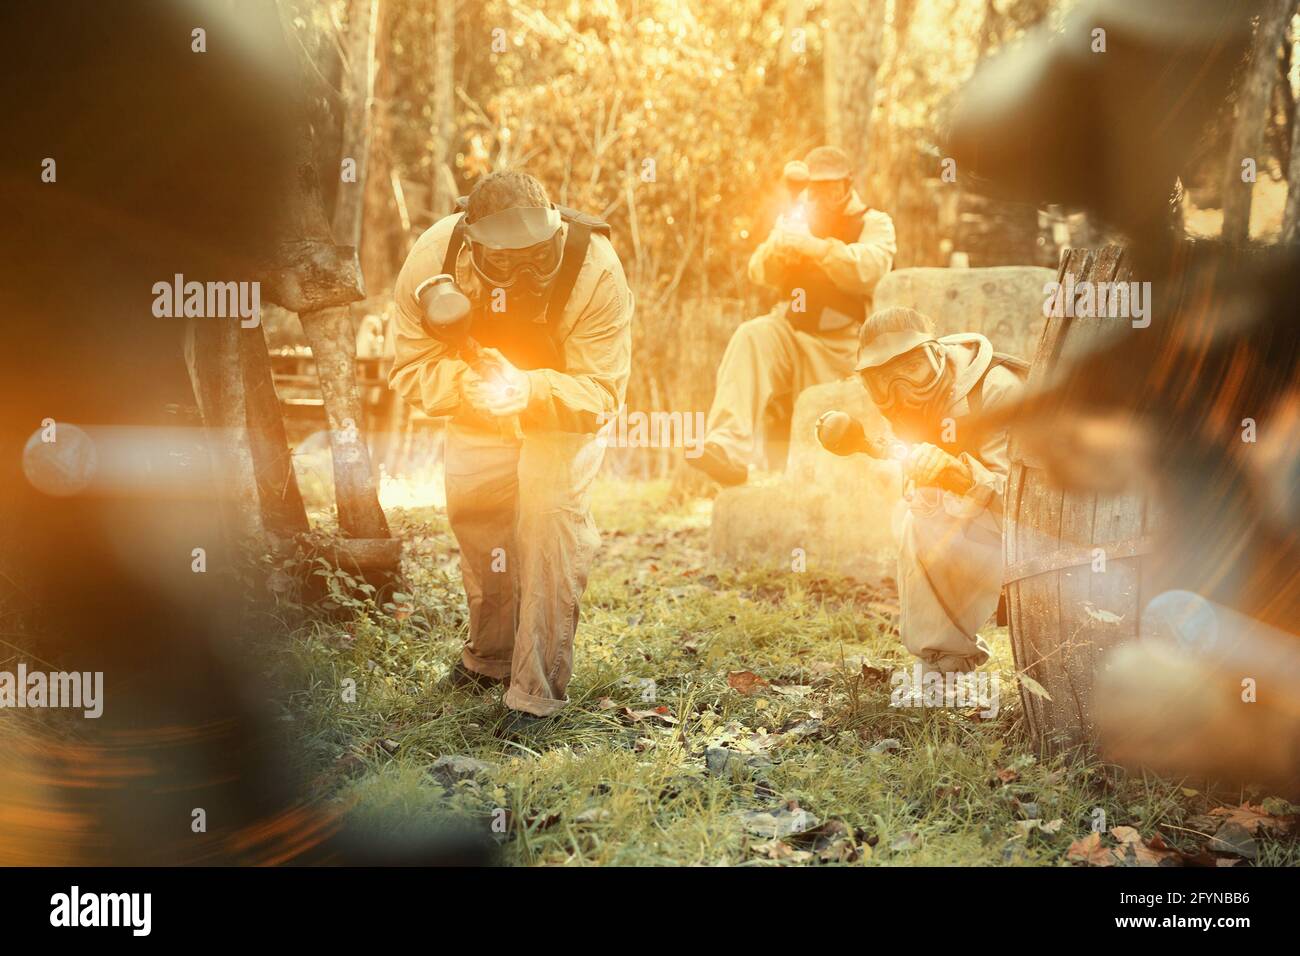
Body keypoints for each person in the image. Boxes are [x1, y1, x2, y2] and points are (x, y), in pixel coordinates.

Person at [388, 170, 633, 733]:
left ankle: (534, 696)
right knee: (478, 518)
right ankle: (491, 658)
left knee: (548, 522)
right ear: (472, 243)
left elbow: (601, 392)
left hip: (560, 411)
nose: (522, 272)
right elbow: (409, 368)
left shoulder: (594, 269)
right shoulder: (433, 261)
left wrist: (530, 390)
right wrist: (463, 386)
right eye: (504, 260)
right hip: (477, 402)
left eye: (537, 255)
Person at [826, 307, 1027, 673]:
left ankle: (945, 664)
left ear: (936, 353)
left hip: (1046, 545)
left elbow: (1033, 503)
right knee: (914, 508)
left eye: (910, 369)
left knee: (927, 513)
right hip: (990, 537)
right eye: (882, 380)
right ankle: (942, 662)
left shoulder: (997, 390)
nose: (899, 390)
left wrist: (961, 475)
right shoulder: (912, 404)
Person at [690, 145, 896, 485]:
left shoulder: (874, 222)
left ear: (846, 184)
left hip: (842, 349)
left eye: (831, 185)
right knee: (752, 335)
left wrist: (813, 247)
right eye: (816, 186)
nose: (823, 193)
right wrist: (778, 251)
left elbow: (869, 268)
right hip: (790, 333)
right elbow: (758, 271)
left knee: (828, 462)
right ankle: (727, 449)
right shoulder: (796, 219)